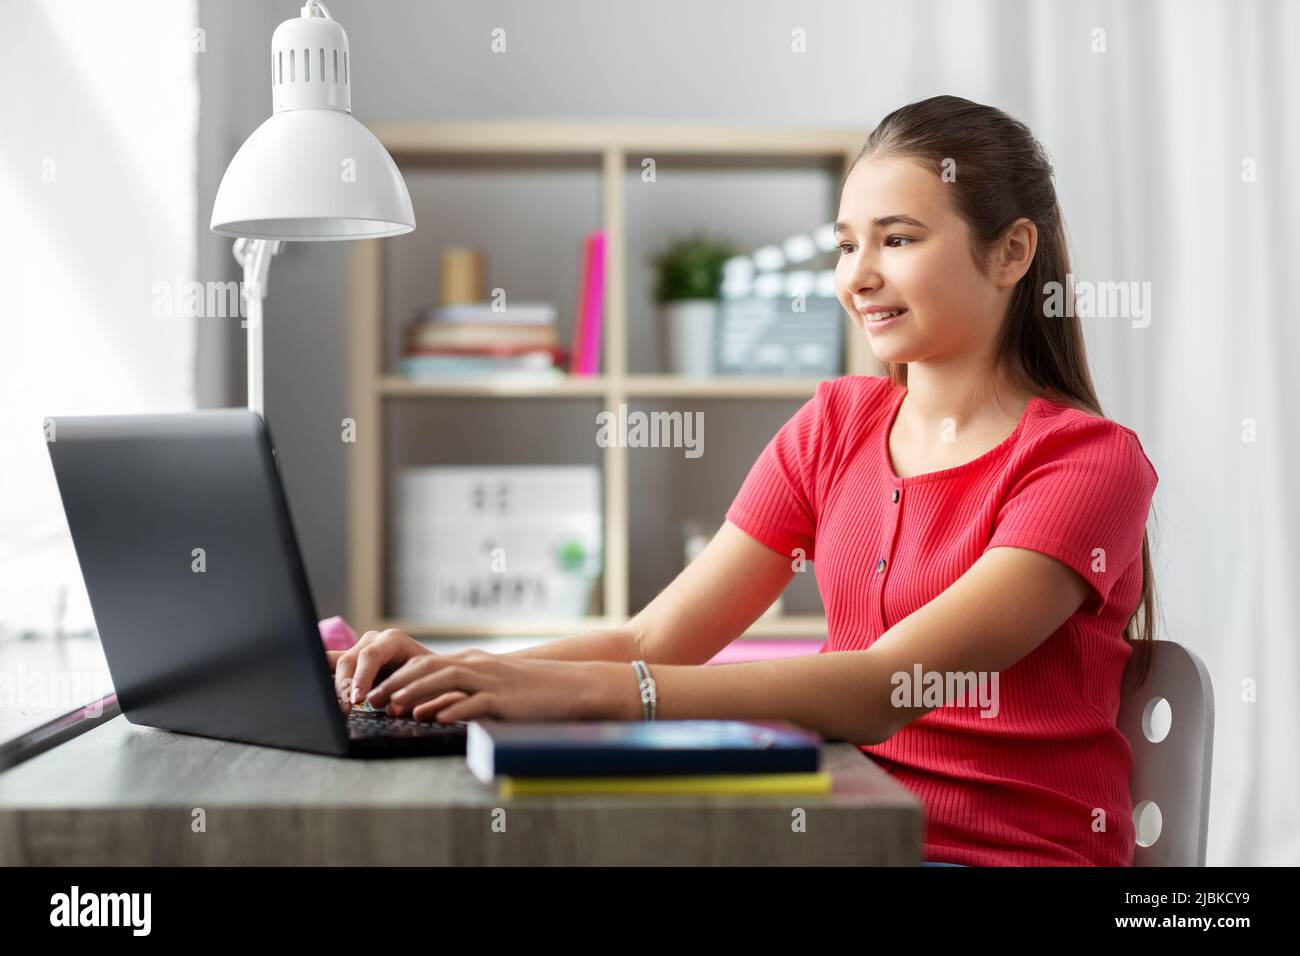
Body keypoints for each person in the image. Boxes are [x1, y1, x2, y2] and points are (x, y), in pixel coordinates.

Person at [329, 95, 1159, 867]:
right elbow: (650, 643)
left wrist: (565, 691)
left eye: (897, 239)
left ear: (1012, 251)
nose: (858, 275)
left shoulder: (1087, 465)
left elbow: (883, 688)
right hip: (841, 834)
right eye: (845, 244)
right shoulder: (835, 427)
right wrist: (451, 675)